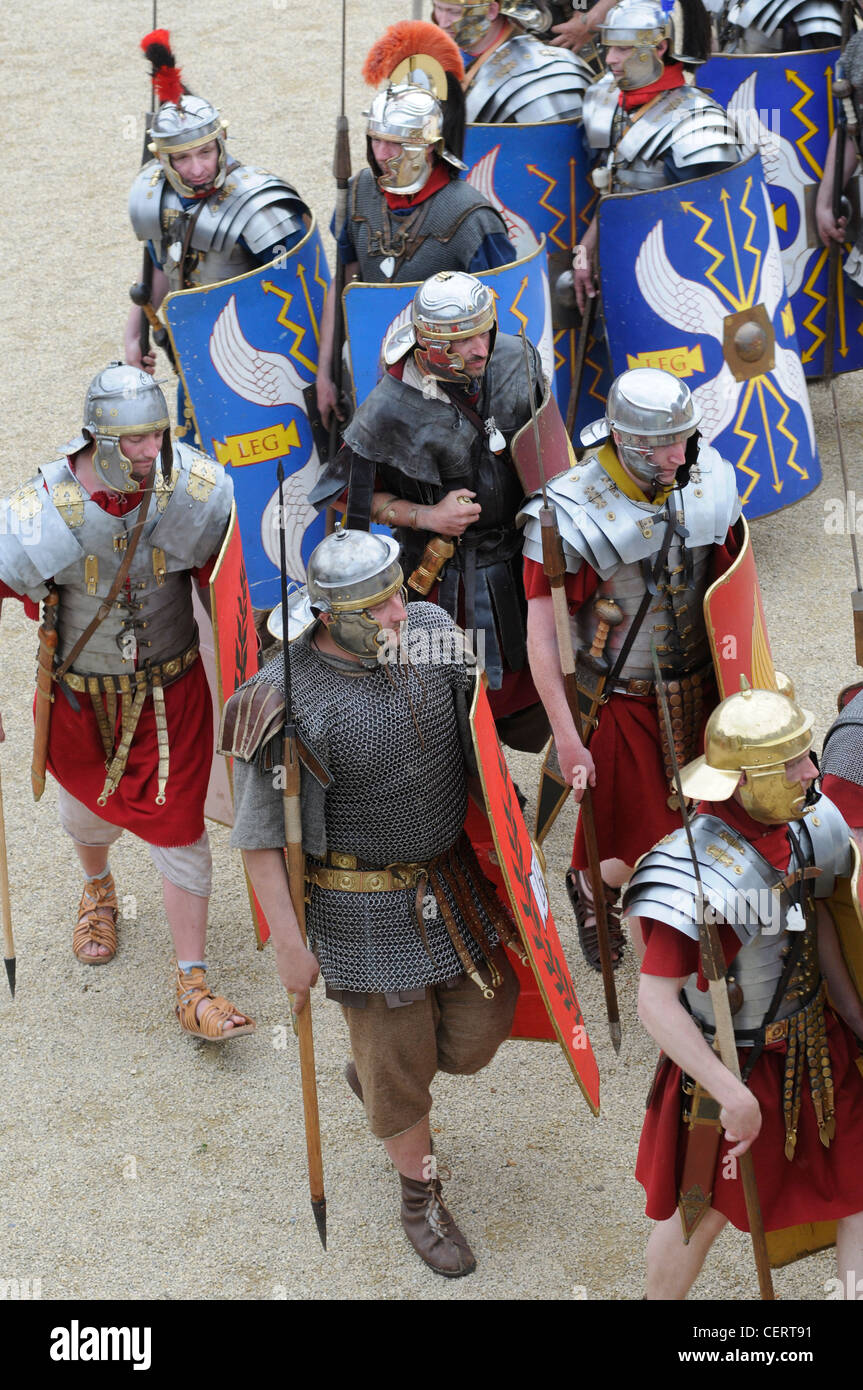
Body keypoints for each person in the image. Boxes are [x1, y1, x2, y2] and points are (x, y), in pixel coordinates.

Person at [219, 527, 521, 1276]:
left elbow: (480, 733)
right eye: (377, 607)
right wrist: (290, 945)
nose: (397, 613)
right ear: (328, 617)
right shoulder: (279, 698)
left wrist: (514, 846)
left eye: (395, 596)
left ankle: (387, 1082)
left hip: (450, 880)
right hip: (358, 905)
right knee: (395, 1062)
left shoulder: (430, 631)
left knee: (479, 1031)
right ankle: (419, 1193)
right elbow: (259, 837)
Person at [0, 363, 253, 1040]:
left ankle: (192, 978)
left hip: (170, 695)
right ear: (98, 439)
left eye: (157, 436)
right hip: (79, 700)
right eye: (133, 441)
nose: (149, 452)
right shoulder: (46, 504)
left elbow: (228, 591)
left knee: (179, 827)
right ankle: (100, 890)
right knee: (83, 813)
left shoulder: (192, 490)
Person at [623, 685, 863, 1299]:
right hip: (731, 1064)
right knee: (698, 1216)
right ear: (749, 778)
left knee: (860, 1182)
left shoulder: (808, 823)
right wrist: (731, 1095)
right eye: (793, 762)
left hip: (814, 1044)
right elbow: (656, 1003)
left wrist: (858, 1022)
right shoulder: (697, 873)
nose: (812, 772)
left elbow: (820, 929)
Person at [519, 367, 741, 966]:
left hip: (702, 690)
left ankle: (598, 883)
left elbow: (731, 588)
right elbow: (545, 639)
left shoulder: (708, 475)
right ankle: (662, 974)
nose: (680, 454)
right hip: (624, 700)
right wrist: (568, 740)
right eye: (664, 444)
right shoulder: (566, 514)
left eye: (685, 438)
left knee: (706, 823)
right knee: (646, 838)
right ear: (625, 442)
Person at [311, 270, 549, 750]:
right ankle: (476, 797)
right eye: (463, 341)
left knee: (542, 674)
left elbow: (546, 446)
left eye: (485, 330)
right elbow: (340, 495)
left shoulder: (514, 358)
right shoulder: (389, 407)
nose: (481, 347)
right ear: (432, 347)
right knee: (454, 695)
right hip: (447, 583)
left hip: (524, 557)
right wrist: (426, 517)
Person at [315, 23, 515, 427]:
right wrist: (326, 373)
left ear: (427, 146)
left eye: (396, 142)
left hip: (451, 389)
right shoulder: (359, 194)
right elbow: (344, 283)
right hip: (373, 380)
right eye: (376, 139)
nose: (382, 153)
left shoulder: (471, 217)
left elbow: (500, 323)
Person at [126, 30, 310, 392]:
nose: (196, 169)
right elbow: (161, 268)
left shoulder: (259, 207)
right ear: (163, 159)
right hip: (193, 355)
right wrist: (134, 334)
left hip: (260, 364)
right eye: (181, 158)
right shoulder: (157, 198)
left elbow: (297, 295)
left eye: (205, 153)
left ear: (221, 142)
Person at [573, 0, 741, 312]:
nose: (610, 59)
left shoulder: (698, 123)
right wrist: (585, 249)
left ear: (660, 47)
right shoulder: (608, 101)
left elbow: (711, 234)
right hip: (618, 265)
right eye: (609, 47)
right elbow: (613, 188)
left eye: (623, 49)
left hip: (679, 287)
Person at [432, 1, 596, 122]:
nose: (443, 22)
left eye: (454, 12)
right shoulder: (439, 56)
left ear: (491, 10)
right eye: (438, 8)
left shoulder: (540, 77)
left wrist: (583, 13)